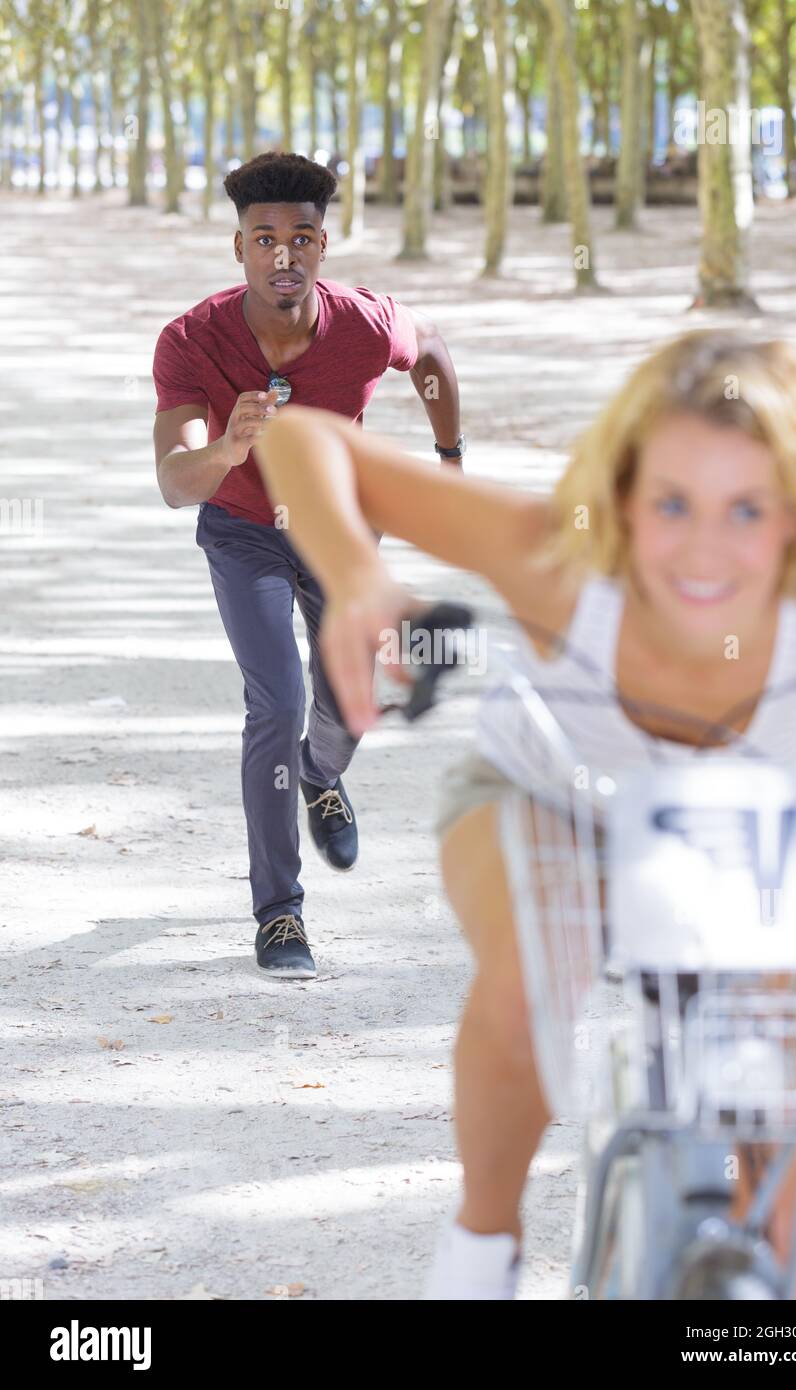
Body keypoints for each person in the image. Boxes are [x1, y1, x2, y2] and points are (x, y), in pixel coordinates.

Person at [255, 330, 796, 1298]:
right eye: (669, 503)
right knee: (538, 967)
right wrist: (354, 574)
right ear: (618, 500)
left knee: (774, 1100)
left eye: (746, 509)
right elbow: (299, 442)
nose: (702, 546)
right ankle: (479, 1251)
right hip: (538, 796)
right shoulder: (558, 558)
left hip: (733, 827)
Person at [151, 151, 465, 979]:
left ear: (322, 247)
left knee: (349, 703)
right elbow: (175, 483)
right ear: (239, 249)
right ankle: (280, 914)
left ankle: (323, 775)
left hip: (335, 530)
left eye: (300, 238)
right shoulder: (191, 340)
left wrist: (450, 456)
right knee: (275, 703)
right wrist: (228, 445)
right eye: (264, 240)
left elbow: (429, 352)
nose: (282, 255)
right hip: (243, 529)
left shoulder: (362, 325)